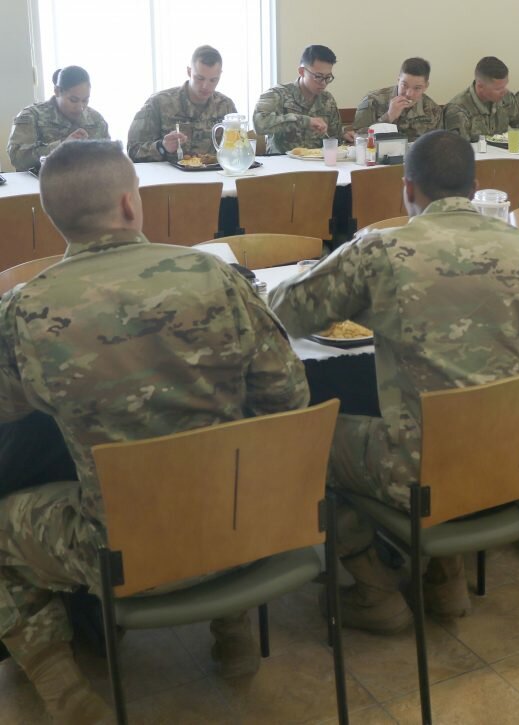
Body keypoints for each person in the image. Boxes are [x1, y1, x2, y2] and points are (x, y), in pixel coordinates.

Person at [0, 140, 310, 723]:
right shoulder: (215, 275)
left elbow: (9, 407)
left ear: (50, 216)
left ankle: (61, 688)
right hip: (245, 526)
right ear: (129, 203)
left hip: (122, 554)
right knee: (214, 466)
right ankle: (233, 632)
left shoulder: (24, 311)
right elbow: (288, 397)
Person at [270, 130, 519, 633]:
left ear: (407, 188)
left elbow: (285, 313)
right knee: (455, 405)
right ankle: (443, 578)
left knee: (309, 442)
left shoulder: (383, 251)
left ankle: (375, 588)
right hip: (513, 453)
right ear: (475, 187)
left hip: (420, 465)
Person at [126, 45, 237, 162]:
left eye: (213, 80)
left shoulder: (226, 106)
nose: (206, 86)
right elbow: (133, 150)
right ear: (189, 72)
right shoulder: (159, 103)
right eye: (200, 78)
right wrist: (162, 147)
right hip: (171, 178)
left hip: (214, 177)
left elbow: (238, 149)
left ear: (220, 75)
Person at [6, 66, 109, 171]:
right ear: (57, 91)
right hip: (40, 185)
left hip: (88, 184)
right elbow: (17, 159)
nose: (80, 107)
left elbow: (110, 160)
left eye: (85, 100)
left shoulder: (96, 120)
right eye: (73, 100)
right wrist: (60, 147)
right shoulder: (32, 116)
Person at [254, 44, 343, 155]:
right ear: (302, 71)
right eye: (318, 76)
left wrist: (346, 137)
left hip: (318, 165)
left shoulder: (327, 100)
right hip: (283, 165)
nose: (324, 83)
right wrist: (305, 121)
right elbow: (259, 125)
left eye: (328, 77)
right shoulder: (277, 94)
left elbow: (335, 139)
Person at [444, 56, 519, 140]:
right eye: (498, 88)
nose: (504, 91)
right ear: (480, 86)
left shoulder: (506, 98)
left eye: (505, 85)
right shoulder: (458, 109)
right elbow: (458, 149)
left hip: (504, 160)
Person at [350, 57, 442, 141]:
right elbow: (358, 139)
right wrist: (389, 116)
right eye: (404, 85)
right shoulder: (372, 100)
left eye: (417, 88)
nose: (409, 94)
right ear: (398, 81)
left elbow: (437, 143)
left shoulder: (433, 110)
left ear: (426, 86)